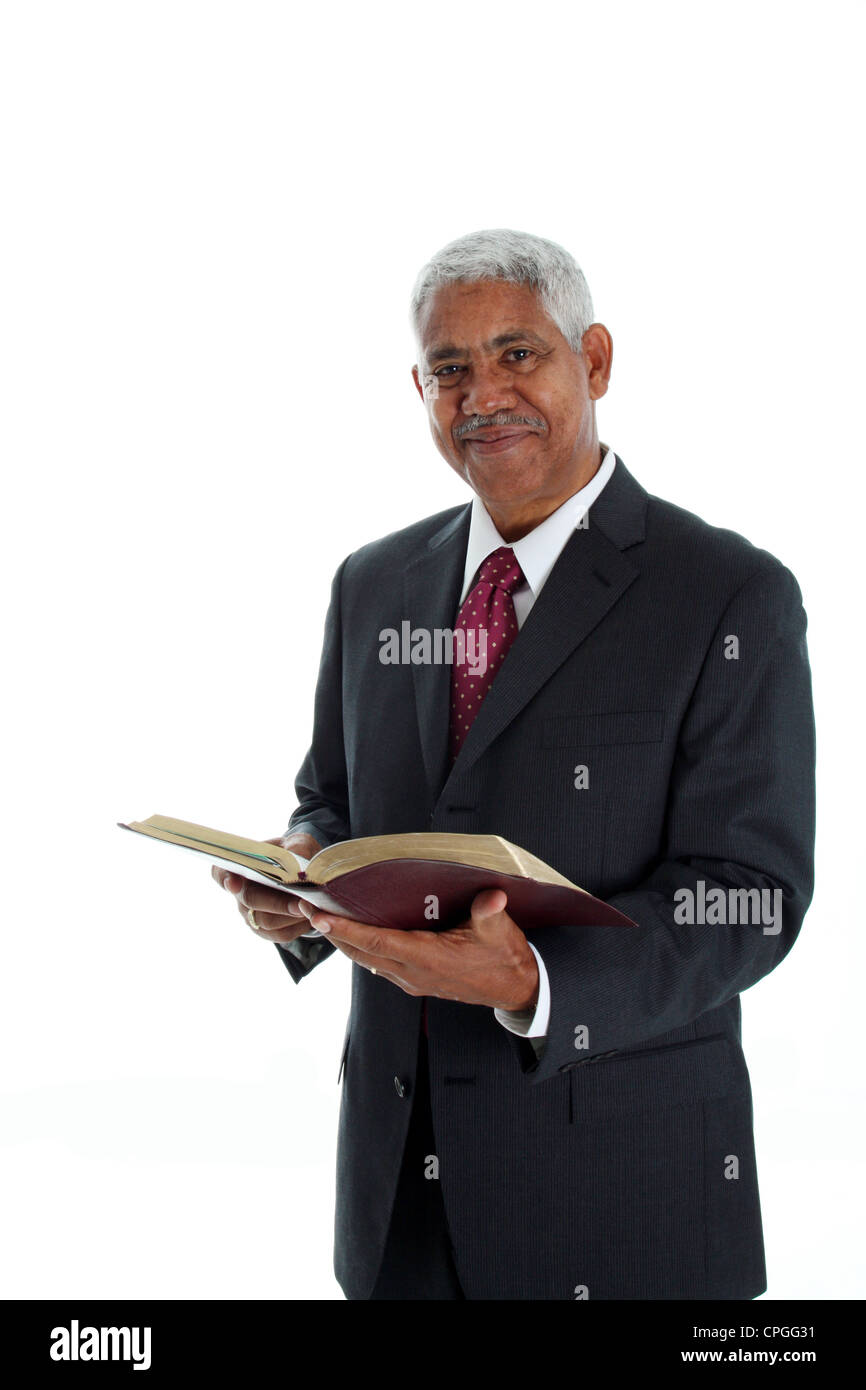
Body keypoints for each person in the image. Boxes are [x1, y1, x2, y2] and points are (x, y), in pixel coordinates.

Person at [213, 229, 815, 1300]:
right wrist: (298, 870)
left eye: (515, 355)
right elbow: (332, 797)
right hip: (396, 1192)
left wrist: (536, 980)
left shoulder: (727, 595)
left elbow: (749, 897)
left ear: (592, 361)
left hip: (619, 1198)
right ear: (418, 389)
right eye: (448, 370)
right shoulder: (373, 582)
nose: (480, 393)